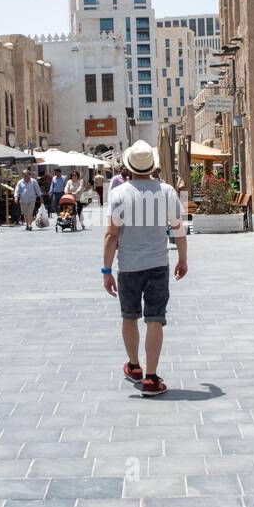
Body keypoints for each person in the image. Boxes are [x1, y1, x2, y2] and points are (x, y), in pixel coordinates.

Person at [103, 141, 188, 398]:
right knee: (155, 319)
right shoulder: (167, 191)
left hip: (128, 266)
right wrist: (182, 259)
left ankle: (134, 366)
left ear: (129, 166)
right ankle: (151, 379)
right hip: (158, 265)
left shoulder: (119, 193)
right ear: (152, 166)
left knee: (129, 316)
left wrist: (106, 271)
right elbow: (179, 230)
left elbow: (111, 236)